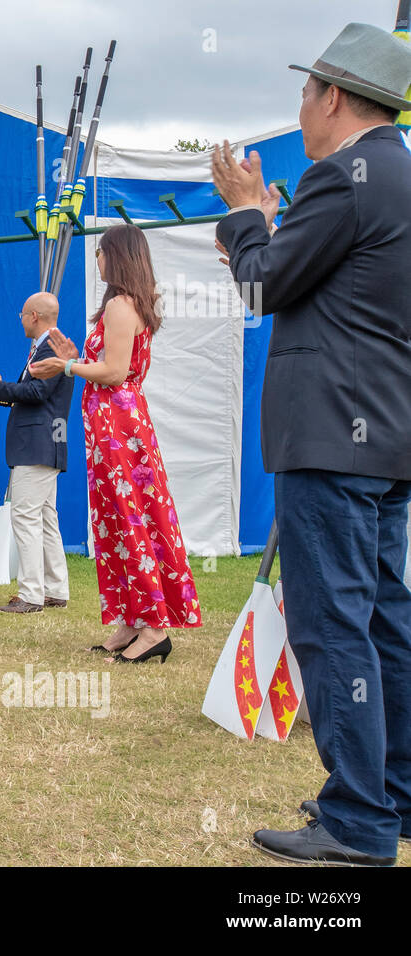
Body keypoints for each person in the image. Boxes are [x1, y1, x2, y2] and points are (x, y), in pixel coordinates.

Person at [210, 23, 411, 868]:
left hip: (331, 433)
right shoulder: (398, 176)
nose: (298, 113)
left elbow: (264, 283)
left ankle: (358, 819)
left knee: (333, 627)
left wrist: (242, 219)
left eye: (303, 95)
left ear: (331, 95)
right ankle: (393, 796)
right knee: (387, 620)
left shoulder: (343, 176)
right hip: (388, 433)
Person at [31, 224, 200, 662]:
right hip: (115, 424)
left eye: (101, 253)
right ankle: (132, 618)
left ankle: (154, 628)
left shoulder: (120, 307)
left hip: (118, 425)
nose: (98, 261)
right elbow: (108, 366)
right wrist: (74, 359)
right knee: (115, 520)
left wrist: (66, 369)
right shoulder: (126, 304)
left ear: (118, 256)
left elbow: (114, 373)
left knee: (127, 517)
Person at [0, 292, 73, 613]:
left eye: (23, 314)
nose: (20, 319)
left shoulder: (50, 348)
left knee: (26, 518)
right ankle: (55, 589)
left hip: (37, 445)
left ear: (34, 316)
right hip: (44, 442)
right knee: (44, 518)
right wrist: (0, 387)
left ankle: (31, 595)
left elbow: (37, 393)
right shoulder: (47, 348)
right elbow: (31, 392)